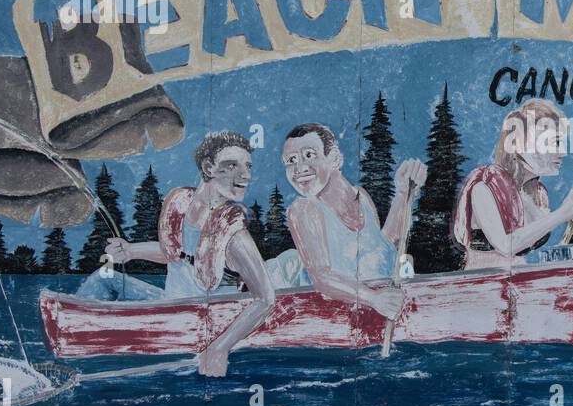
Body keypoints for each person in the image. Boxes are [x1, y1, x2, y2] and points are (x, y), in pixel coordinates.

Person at [75, 131, 277, 377]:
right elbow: (176, 254)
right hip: (170, 306)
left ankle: (81, 333)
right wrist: (130, 251)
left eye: (247, 166)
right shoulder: (182, 205)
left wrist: (219, 348)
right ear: (208, 167)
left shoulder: (235, 235)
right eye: (231, 166)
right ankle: (77, 328)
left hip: (200, 322)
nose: (244, 175)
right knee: (102, 279)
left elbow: (265, 298)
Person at [281, 123, 426, 320]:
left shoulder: (361, 197)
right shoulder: (303, 210)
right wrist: (374, 298)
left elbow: (383, 247)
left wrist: (403, 194)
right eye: (291, 160)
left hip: (373, 311)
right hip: (327, 316)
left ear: (334, 158)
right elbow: (322, 277)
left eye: (308, 155)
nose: (299, 168)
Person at [451, 99, 573, 271]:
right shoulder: (484, 185)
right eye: (553, 142)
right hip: (483, 285)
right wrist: (562, 214)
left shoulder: (537, 193)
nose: (562, 152)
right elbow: (505, 244)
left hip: (520, 283)